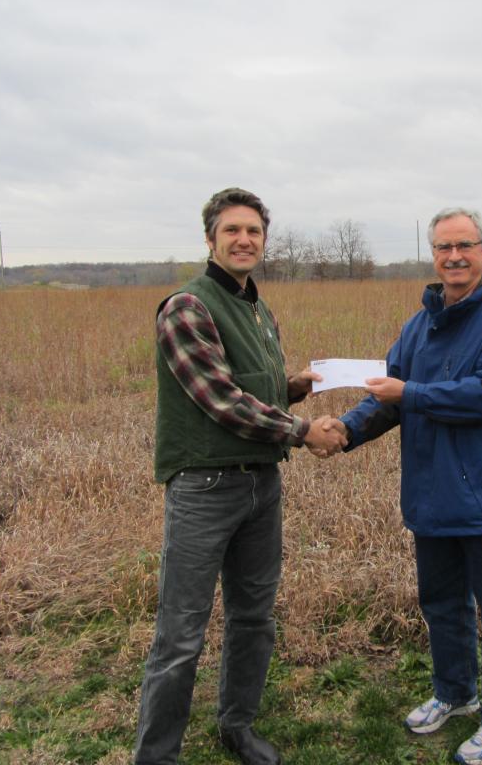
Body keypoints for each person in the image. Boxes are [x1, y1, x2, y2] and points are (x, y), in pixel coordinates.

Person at [323, 207, 482, 764]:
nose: (455, 256)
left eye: (465, 245)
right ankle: (456, 693)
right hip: (433, 494)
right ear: (433, 255)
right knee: (443, 605)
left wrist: (411, 394)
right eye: (444, 247)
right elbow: (386, 396)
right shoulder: (419, 326)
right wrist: (345, 430)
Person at [133, 187, 347, 765]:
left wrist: (295, 386)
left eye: (253, 231)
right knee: (180, 637)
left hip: (261, 486)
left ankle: (237, 726)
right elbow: (221, 400)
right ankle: (156, 756)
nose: (244, 239)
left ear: (264, 241)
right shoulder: (187, 307)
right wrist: (302, 429)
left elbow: (255, 388)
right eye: (232, 230)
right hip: (204, 489)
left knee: (253, 617)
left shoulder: (257, 308)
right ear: (210, 239)